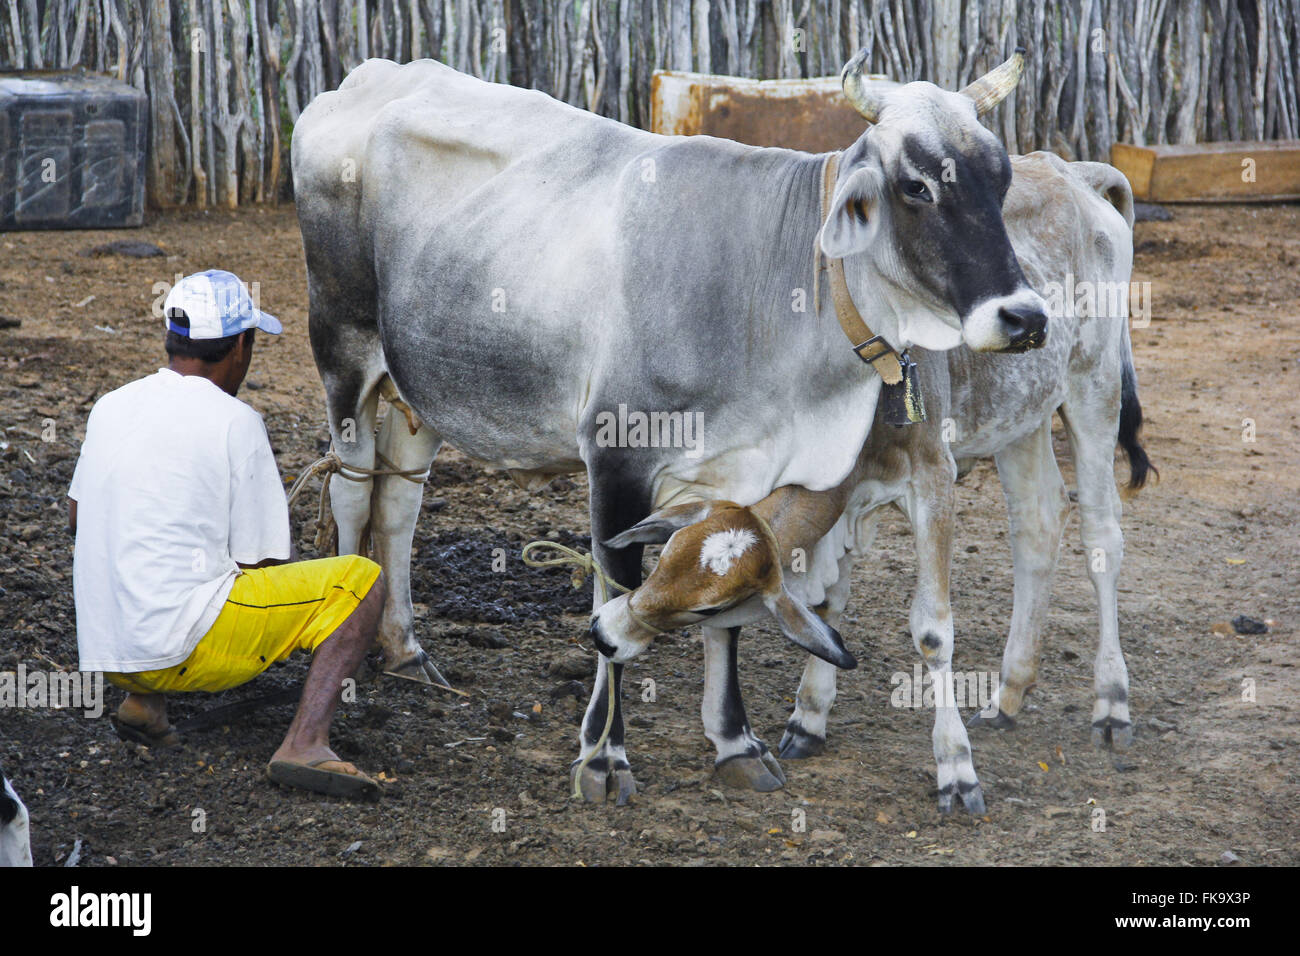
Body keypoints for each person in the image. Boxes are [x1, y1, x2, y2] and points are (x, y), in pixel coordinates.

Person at [67, 270, 385, 798]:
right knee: (360, 585)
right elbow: (260, 562)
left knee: (162, 557)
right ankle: (305, 743)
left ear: (174, 338)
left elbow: (78, 520)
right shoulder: (237, 421)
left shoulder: (112, 406)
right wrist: (329, 635)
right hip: (182, 653)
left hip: (108, 650)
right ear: (241, 346)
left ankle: (143, 705)